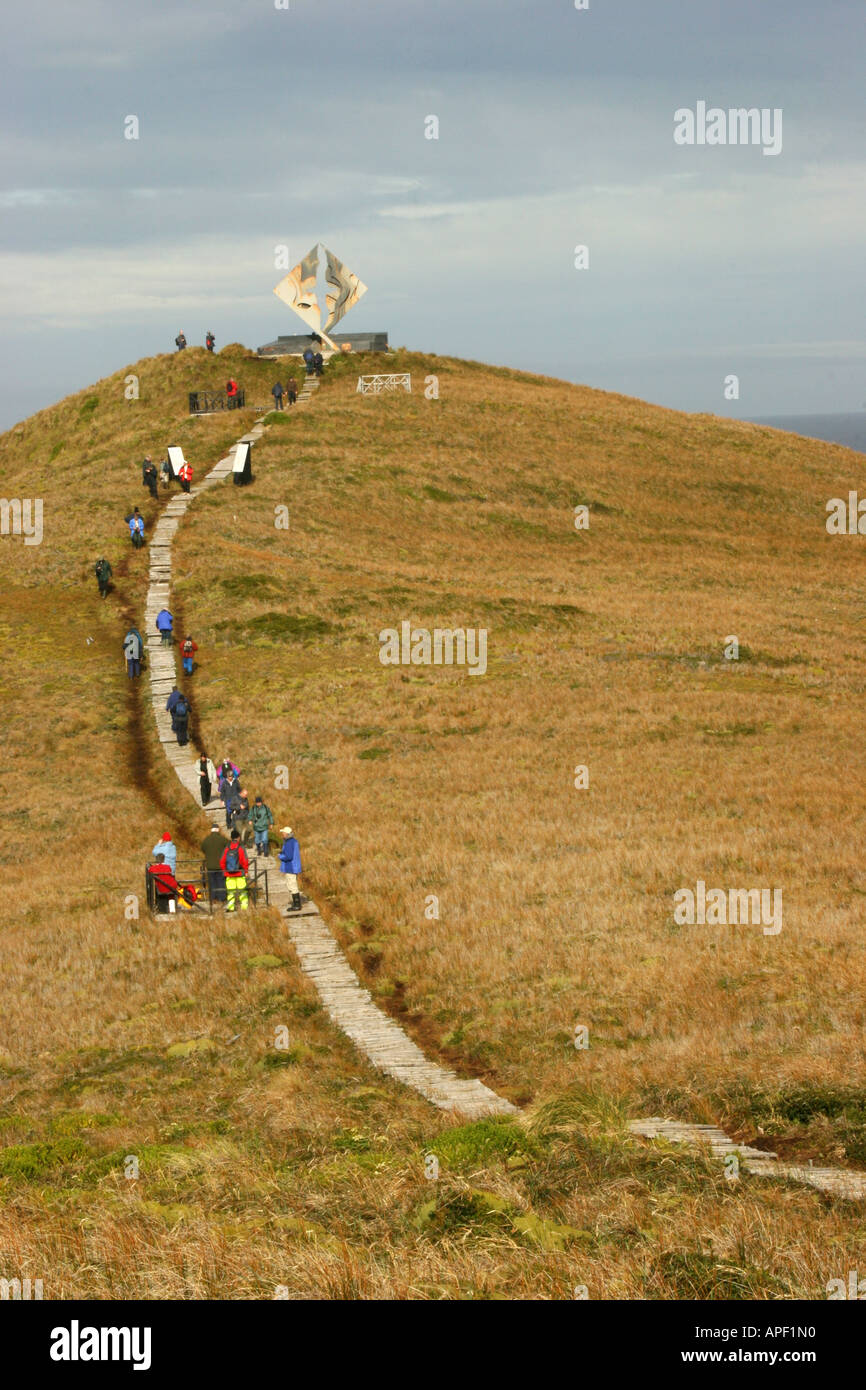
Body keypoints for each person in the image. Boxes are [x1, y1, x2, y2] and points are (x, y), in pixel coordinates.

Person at [220, 831, 249, 912]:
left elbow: (222, 861)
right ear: (238, 837)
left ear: (231, 837)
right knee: (242, 891)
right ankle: (244, 907)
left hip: (229, 874)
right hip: (240, 873)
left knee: (230, 892)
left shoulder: (227, 848)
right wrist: (246, 871)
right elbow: (245, 861)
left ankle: (231, 907)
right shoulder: (240, 847)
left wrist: (224, 870)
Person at [200, 824, 228, 902]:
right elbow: (229, 847)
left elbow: (202, 849)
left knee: (212, 883)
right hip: (221, 866)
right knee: (221, 882)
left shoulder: (206, 840)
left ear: (211, 830)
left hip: (210, 866)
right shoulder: (223, 839)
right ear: (218, 830)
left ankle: (213, 898)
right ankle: (222, 898)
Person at [278, 826, 302, 913]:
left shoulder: (289, 843)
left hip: (290, 867)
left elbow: (288, 856)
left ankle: (296, 905)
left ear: (287, 834)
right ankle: (296, 904)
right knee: (292, 885)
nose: (282, 834)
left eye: (283, 833)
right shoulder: (293, 841)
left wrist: (280, 856)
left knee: (292, 885)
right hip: (293, 866)